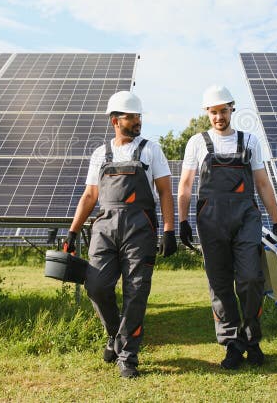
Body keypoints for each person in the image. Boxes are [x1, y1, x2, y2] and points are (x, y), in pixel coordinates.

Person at [63, 90, 176, 379]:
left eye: (139, 116)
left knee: (136, 292)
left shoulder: (152, 149)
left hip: (140, 228)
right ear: (115, 120)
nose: (138, 120)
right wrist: (72, 232)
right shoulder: (100, 153)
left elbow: (164, 191)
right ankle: (115, 334)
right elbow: (90, 194)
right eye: (131, 116)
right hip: (105, 227)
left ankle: (128, 355)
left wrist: (169, 230)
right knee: (96, 285)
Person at [177, 85, 277, 370]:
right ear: (207, 113)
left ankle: (251, 338)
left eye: (224, 111)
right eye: (213, 112)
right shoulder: (196, 143)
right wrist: (183, 220)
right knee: (220, 284)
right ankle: (232, 344)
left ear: (232, 109)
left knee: (251, 278)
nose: (219, 116)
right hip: (210, 222)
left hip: (245, 217)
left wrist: (276, 220)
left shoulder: (249, 141)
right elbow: (186, 185)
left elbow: (262, 183)